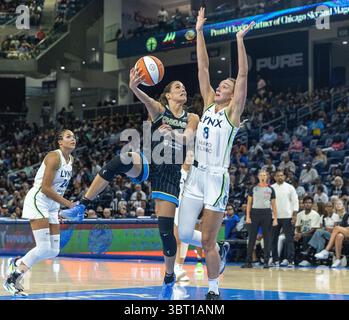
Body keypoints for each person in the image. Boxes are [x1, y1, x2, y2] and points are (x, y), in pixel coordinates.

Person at [61, 73, 199, 300]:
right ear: (167, 95)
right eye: (177, 86)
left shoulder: (191, 116)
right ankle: (82, 206)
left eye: (183, 86)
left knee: (165, 231)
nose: (182, 89)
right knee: (121, 160)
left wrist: (172, 133)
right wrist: (134, 86)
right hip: (150, 162)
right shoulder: (158, 109)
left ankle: (169, 273)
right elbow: (146, 99)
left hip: (170, 173)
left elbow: (188, 138)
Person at [177, 7, 255, 300]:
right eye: (221, 85)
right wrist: (199, 31)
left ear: (233, 95)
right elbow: (203, 67)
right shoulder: (209, 102)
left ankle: (213, 289)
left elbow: (243, 73)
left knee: (207, 241)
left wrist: (239, 39)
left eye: (226, 85)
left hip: (216, 179)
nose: (220, 86)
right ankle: (219, 250)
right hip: (195, 174)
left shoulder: (233, 113)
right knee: (184, 234)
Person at [3, 129, 80, 296]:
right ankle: (13, 277)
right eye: (68, 137)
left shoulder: (71, 159)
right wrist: (68, 204)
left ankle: (18, 262)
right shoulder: (54, 157)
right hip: (39, 200)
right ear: (60, 142)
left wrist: (60, 207)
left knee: (53, 251)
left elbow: (59, 187)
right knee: (43, 246)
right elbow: (45, 188)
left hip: (53, 205)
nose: (73, 139)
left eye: (74, 137)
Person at [241, 170, 278, 269]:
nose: (262, 176)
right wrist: (248, 216)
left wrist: (275, 218)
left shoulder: (271, 189)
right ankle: (248, 262)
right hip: (254, 213)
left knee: (267, 238)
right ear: (258, 176)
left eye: (264, 175)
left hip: (266, 213)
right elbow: (249, 203)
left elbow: (274, 205)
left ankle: (266, 262)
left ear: (267, 176)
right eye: (261, 175)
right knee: (252, 238)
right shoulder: (253, 188)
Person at [270, 170, 299, 267]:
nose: (280, 177)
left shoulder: (290, 188)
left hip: (288, 216)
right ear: (274, 177)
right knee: (273, 239)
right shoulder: (271, 188)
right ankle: (275, 260)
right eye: (277, 176)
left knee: (289, 239)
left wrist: (294, 215)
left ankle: (291, 260)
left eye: (281, 175)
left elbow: (295, 201)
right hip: (274, 217)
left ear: (285, 177)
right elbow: (267, 202)